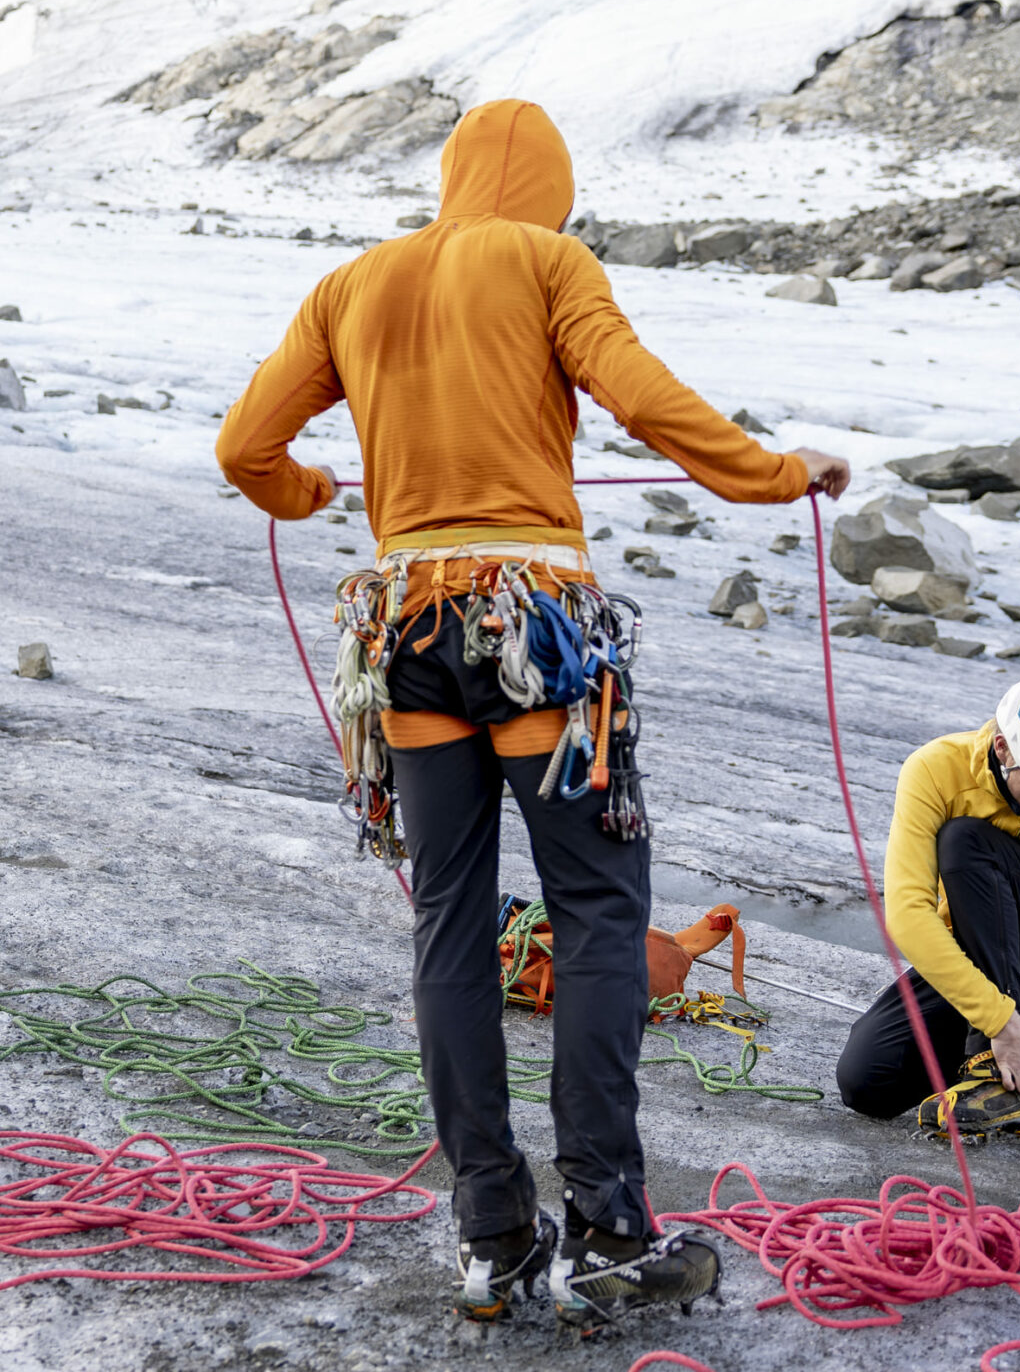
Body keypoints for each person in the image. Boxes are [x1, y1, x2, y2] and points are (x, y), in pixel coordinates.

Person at [216, 97, 850, 1326]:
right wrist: (781, 474)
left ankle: (494, 1235)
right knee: (601, 914)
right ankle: (611, 1228)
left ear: (451, 180)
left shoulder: (352, 284)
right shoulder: (551, 260)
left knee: (450, 920)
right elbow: (644, 398)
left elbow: (248, 444)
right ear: (550, 192)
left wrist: (306, 491)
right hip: (537, 631)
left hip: (403, 629)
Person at [837, 668, 1020, 1137]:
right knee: (868, 1083)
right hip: (984, 958)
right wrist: (1002, 1021)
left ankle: (998, 1069)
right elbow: (908, 915)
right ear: (1003, 747)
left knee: (967, 841)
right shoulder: (935, 769)